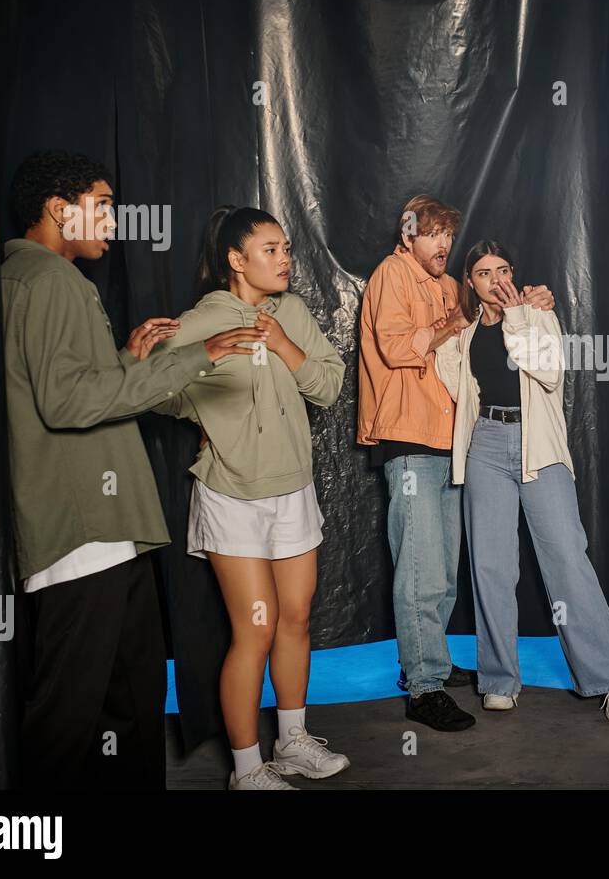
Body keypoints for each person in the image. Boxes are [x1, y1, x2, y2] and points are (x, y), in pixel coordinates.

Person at [1, 151, 262, 788]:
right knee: (74, 715)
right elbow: (67, 405)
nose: (115, 221)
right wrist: (190, 357)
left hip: (102, 531)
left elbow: (66, 389)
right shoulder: (50, 280)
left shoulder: (26, 278)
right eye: (104, 205)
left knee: (129, 700)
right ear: (59, 210)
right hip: (84, 530)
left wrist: (125, 360)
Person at [147, 206, 347, 790]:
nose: (285, 259)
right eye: (271, 249)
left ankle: (291, 743)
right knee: (255, 628)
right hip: (232, 494)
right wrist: (197, 414)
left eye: (286, 248)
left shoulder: (293, 313)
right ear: (237, 260)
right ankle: (246, 768)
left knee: (297, 618)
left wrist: (284, 344)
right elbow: (151, 383)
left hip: (294, 489)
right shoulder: (202, 319)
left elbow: (329, 385)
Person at [356, 195, 554, 731]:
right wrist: (452, 323)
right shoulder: (391, 275)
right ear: (408, 238)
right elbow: (398, 348)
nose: (442, 243)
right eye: (432, 234)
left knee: (443, 573)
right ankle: (422, 687)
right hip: (409, 442)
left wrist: (532, 301)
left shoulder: (448, 287)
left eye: (447, 234)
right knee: (419, 568)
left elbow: (484, 330)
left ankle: (433, 666)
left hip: (455, 443)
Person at [434, 241, 609, 722]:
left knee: (567, 557)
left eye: (503, 269)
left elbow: (546, 370)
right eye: (484, 273)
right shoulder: (464, 335)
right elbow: (450, 378)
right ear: (471, 282)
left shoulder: (538, 315)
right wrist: (451, 328)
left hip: (538, 446)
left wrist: (521, 312)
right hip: (484, 445)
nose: (496, 279)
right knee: (491, 567)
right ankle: (499, 678)